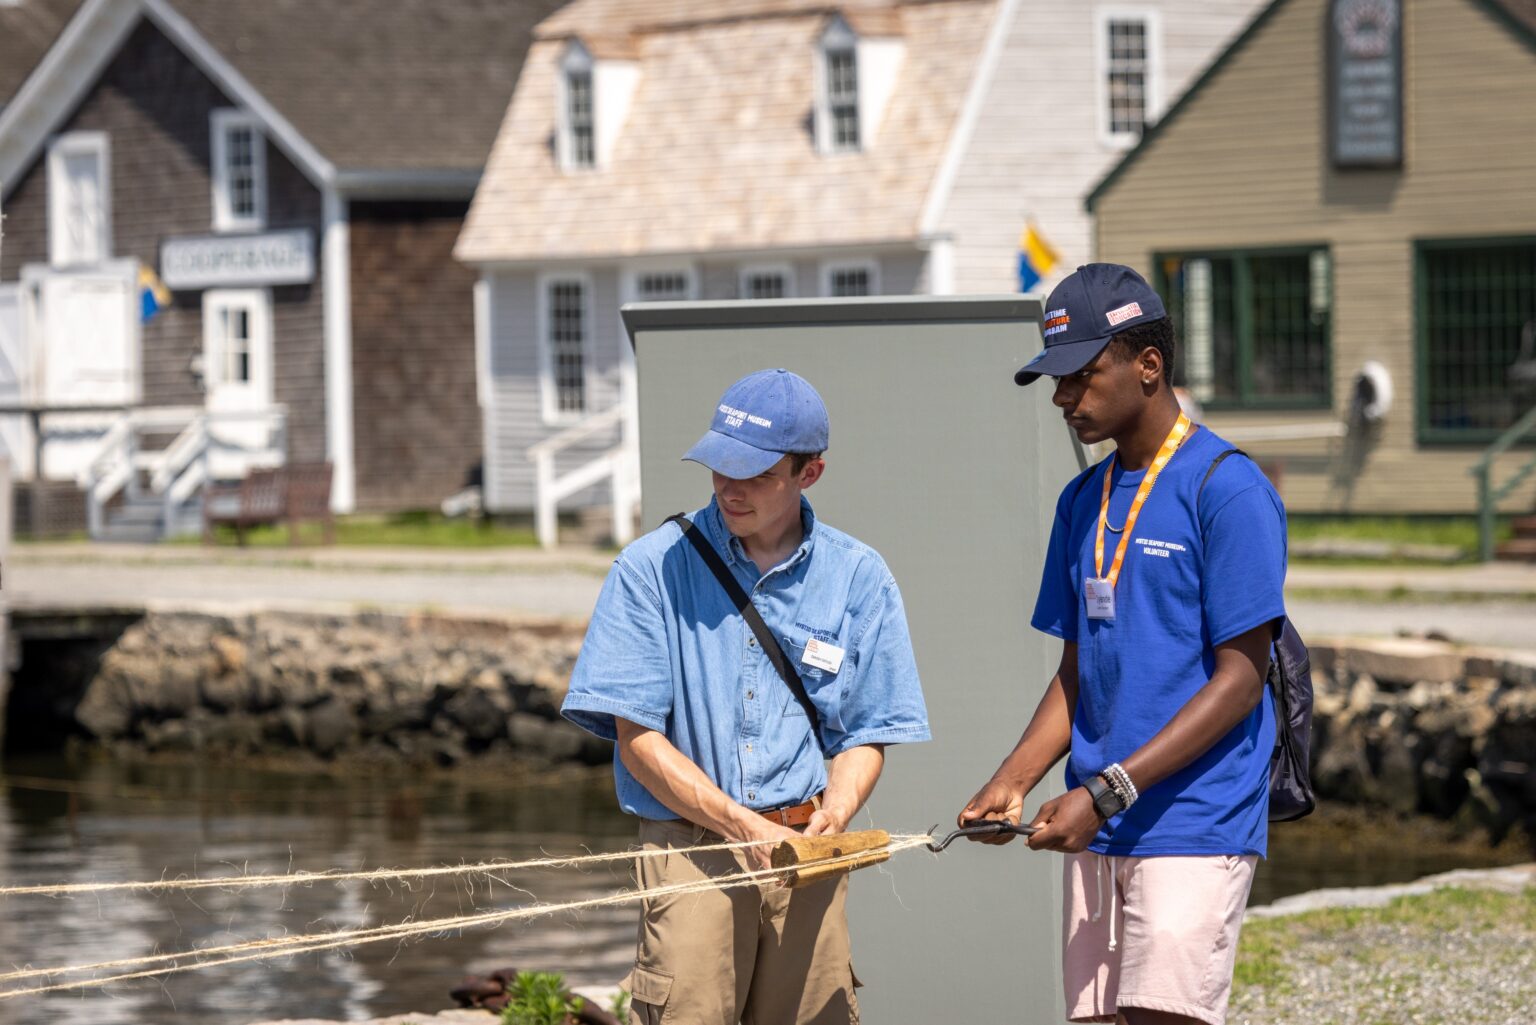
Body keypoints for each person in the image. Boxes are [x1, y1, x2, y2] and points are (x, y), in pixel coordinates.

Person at [959, 264, 1286, 1025]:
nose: (1063, 396)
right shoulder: (1082, 500)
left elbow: (1241, 680)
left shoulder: (1228, 490)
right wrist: (1010, 780)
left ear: (1149, 365)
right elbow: (1078, 671)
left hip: (1194, 818)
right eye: (1056, 379)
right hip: (1099, 826)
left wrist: (1108, 791)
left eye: (1081, 374)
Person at [562, 368, 931, 1025]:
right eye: (719, 466)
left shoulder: (859, 576)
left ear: (809, 473)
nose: (730, 487)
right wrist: (743, 825)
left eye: (756, 474)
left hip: (809, 854)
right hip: (692, 851)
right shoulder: (648, 569)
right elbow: (636, 739)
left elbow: (868, 731)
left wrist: (837, 811)